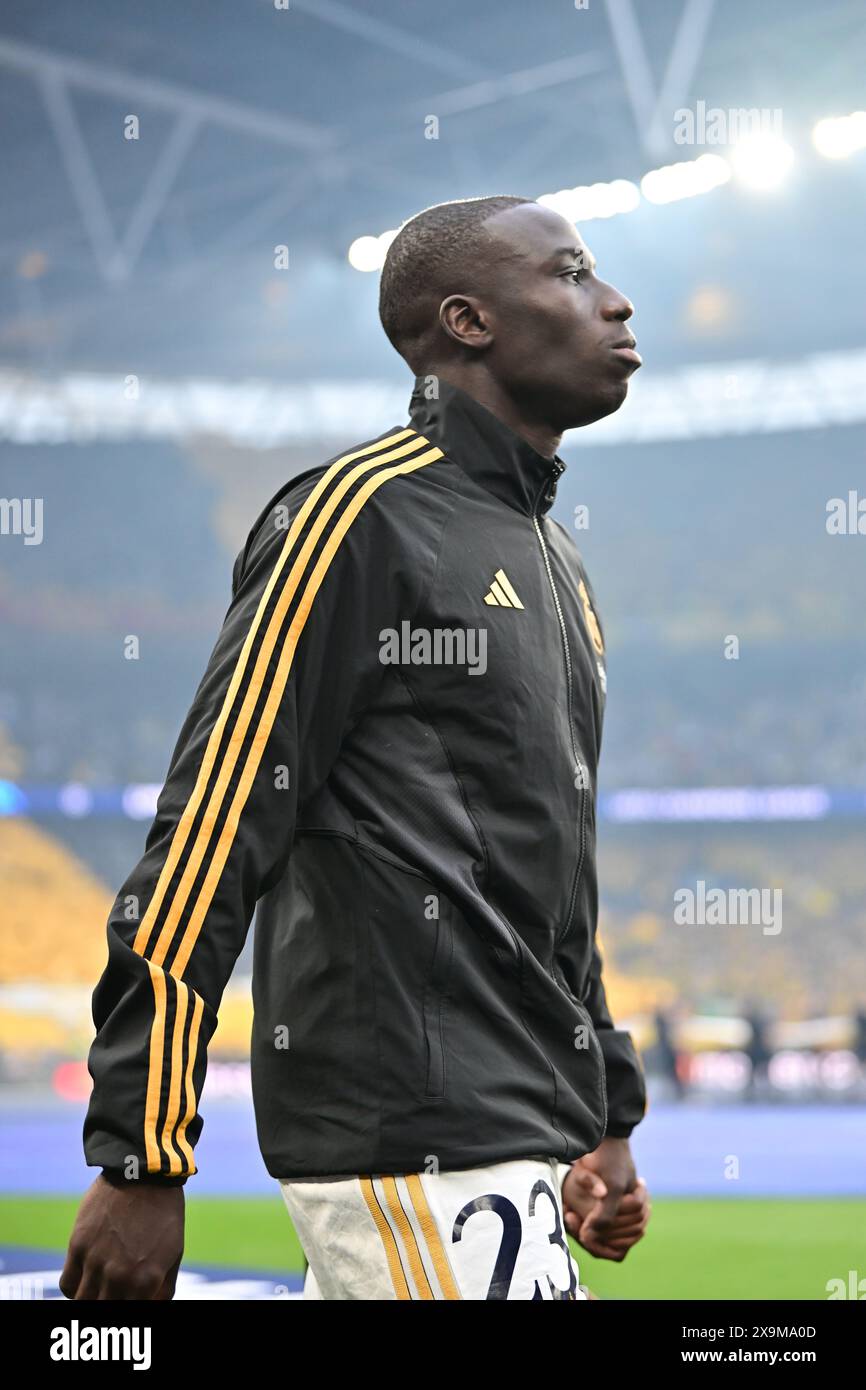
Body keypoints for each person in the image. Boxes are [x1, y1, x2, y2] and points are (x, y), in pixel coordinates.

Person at [61, 195, 650, 1301]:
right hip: (408, 1135)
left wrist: (604, 1109)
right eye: (569, 273)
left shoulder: (557, 566)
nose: (613, 300)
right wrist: (140, 1152)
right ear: (467, 322)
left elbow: (545, 870)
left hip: (512, 1130)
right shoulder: (354, 515)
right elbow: (213, 823)